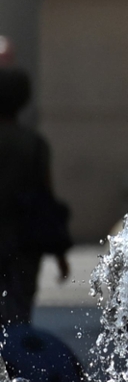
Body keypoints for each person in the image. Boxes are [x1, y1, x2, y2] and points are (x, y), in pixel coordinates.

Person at [0, 69, 70, 326]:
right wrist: (60, 255)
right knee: (18, 313)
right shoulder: (34, 144)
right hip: (23, 243)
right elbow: (46, 198)